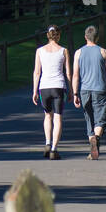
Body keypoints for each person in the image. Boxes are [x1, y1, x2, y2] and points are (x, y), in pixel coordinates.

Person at [71, 25, 106, 160]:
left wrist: (75, 93)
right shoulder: (103, 52)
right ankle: (96, 139)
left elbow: (75, 75)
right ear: (97, 37)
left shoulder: (78, 53)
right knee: (101, 120)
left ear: (85, 37)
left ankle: (92, 146)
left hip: (84, 90)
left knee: (89, 119)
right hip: (100, 90)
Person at [32, 25, 69, 159]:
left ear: (48, 35)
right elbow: (68, 73)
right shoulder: (63, 51)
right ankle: (54, 149)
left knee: (48, 115)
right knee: (58, 117)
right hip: (59, 87)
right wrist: (71, 91)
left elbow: (37, 72)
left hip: (44, 87)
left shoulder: (40, 51)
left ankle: (47, 142)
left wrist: (34, 91)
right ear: (58, 35)